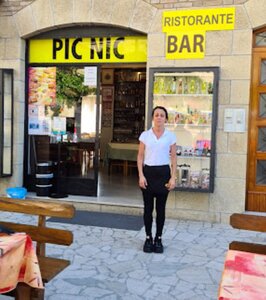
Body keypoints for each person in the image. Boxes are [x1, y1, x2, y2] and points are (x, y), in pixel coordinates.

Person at [137, 106, 177, 253]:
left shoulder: (171, 136)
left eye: (162, 115)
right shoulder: (145, 135)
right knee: (148, 209)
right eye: (156, 115)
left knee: (161, 209)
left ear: (166, 118)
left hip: (163, 173)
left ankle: (158, 238)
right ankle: (148, 238)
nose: (159, 117)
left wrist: (173, 177)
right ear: (153, 118)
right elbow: (140, 156)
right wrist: (141, 175)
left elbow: (173, 157)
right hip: (148, 173)